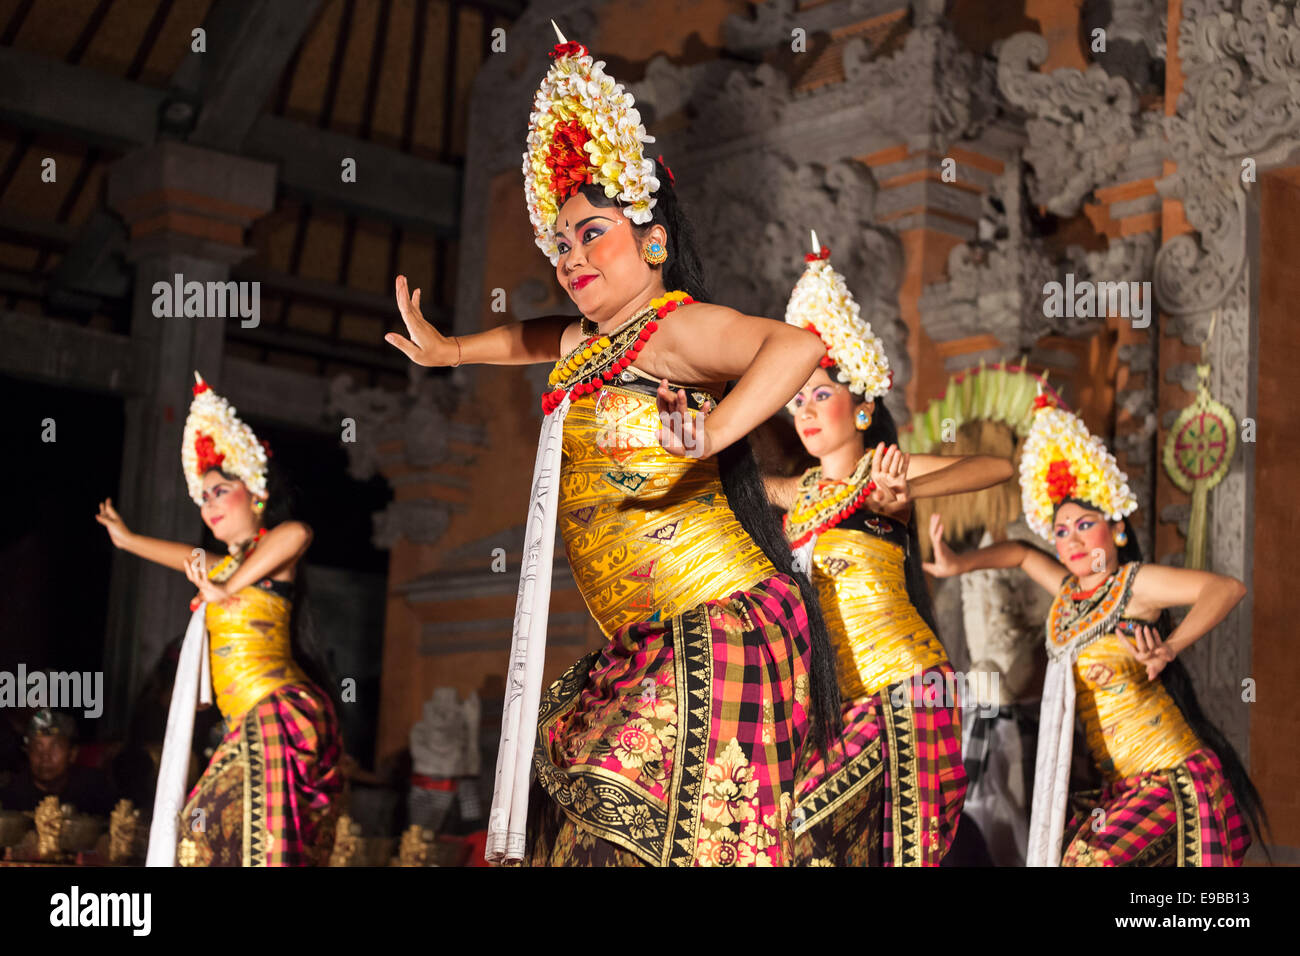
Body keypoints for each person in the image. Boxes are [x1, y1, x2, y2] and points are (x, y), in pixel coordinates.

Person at [386, 30, 842, 866]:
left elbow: (798, 347)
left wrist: (715, 431)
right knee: (593, 827)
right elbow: (531, 339)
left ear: (652, 239)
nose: (571, 259)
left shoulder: (672, 329)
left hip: (719, 623)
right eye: (560, 245)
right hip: (653, 637)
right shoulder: (594, 345)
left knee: (619, 814)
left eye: (592, 234)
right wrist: (450, 351)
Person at [922, 391, 1266, 865]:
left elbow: (1225, 588)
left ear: (1116, 528)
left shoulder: (1133, 585)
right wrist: (959, 564)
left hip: (1170, 776)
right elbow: (1021, 555)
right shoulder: (1068, 596)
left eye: (1085, 525)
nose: (1072, 540)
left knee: (1085, 861)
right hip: (1120, 788)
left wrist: (1170, 647)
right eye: (1062, 531)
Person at [764, 240, 1013, 865]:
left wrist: (905, 495)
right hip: (841, 703)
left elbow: (995, 467)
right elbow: (738, 486)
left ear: (863, 406)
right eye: (798, 400)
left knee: (839, 836)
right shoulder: (802, 492)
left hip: (905, 689)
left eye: (821, 395)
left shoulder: (881, 472)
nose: (806, 412)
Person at [96, 373, 342, 866]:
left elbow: (297, 533)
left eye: (220, 491)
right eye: (203, 497)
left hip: (276, 711)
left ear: (255, 494)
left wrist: (226, 589)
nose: (209, 506)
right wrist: (128, 541)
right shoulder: (227, 567)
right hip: (246, 722)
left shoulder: (267, 558)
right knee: (200, 835)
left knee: (260, 846)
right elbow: (185, 557)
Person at [0, 709, 115, 816]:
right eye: (37, 747)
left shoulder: (94, 789)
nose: (45, 756)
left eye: (55, 747)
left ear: (72, 754)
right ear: (27, 752)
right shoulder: (11, 794)